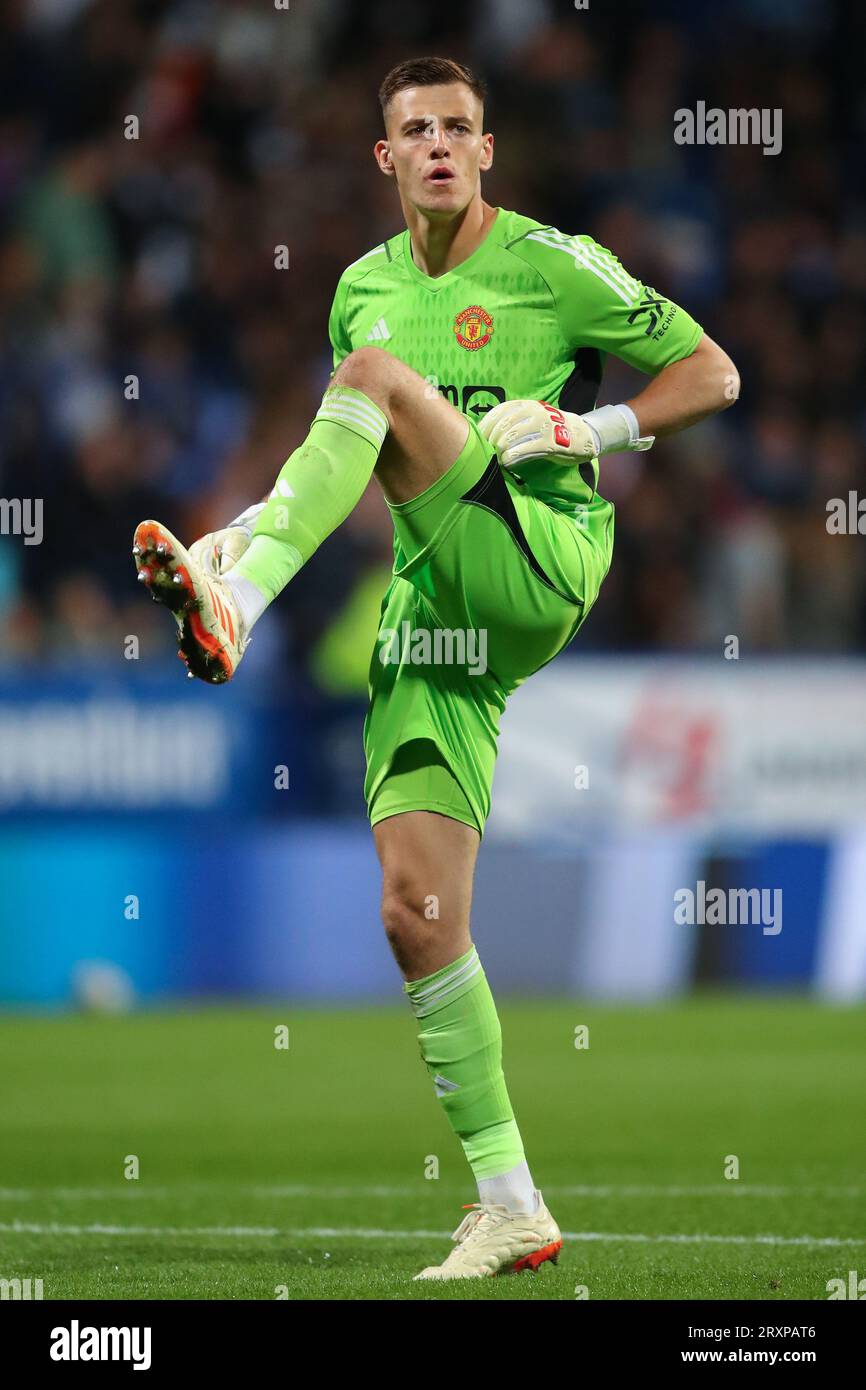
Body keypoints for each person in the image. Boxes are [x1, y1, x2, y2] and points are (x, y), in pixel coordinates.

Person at [133, 56, 738, 1280]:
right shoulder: (357, 289)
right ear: (385, 159)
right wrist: (240, 526)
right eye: (416, 130)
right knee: (414, 916)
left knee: (369, 385)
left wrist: (587, 425)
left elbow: (714, 374)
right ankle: (510, 1201)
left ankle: (239, 608)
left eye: (459, 127)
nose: (440, 146)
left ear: (487, 149)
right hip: (431, 599)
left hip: (535, 559)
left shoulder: (553, 265)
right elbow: (346, 454)